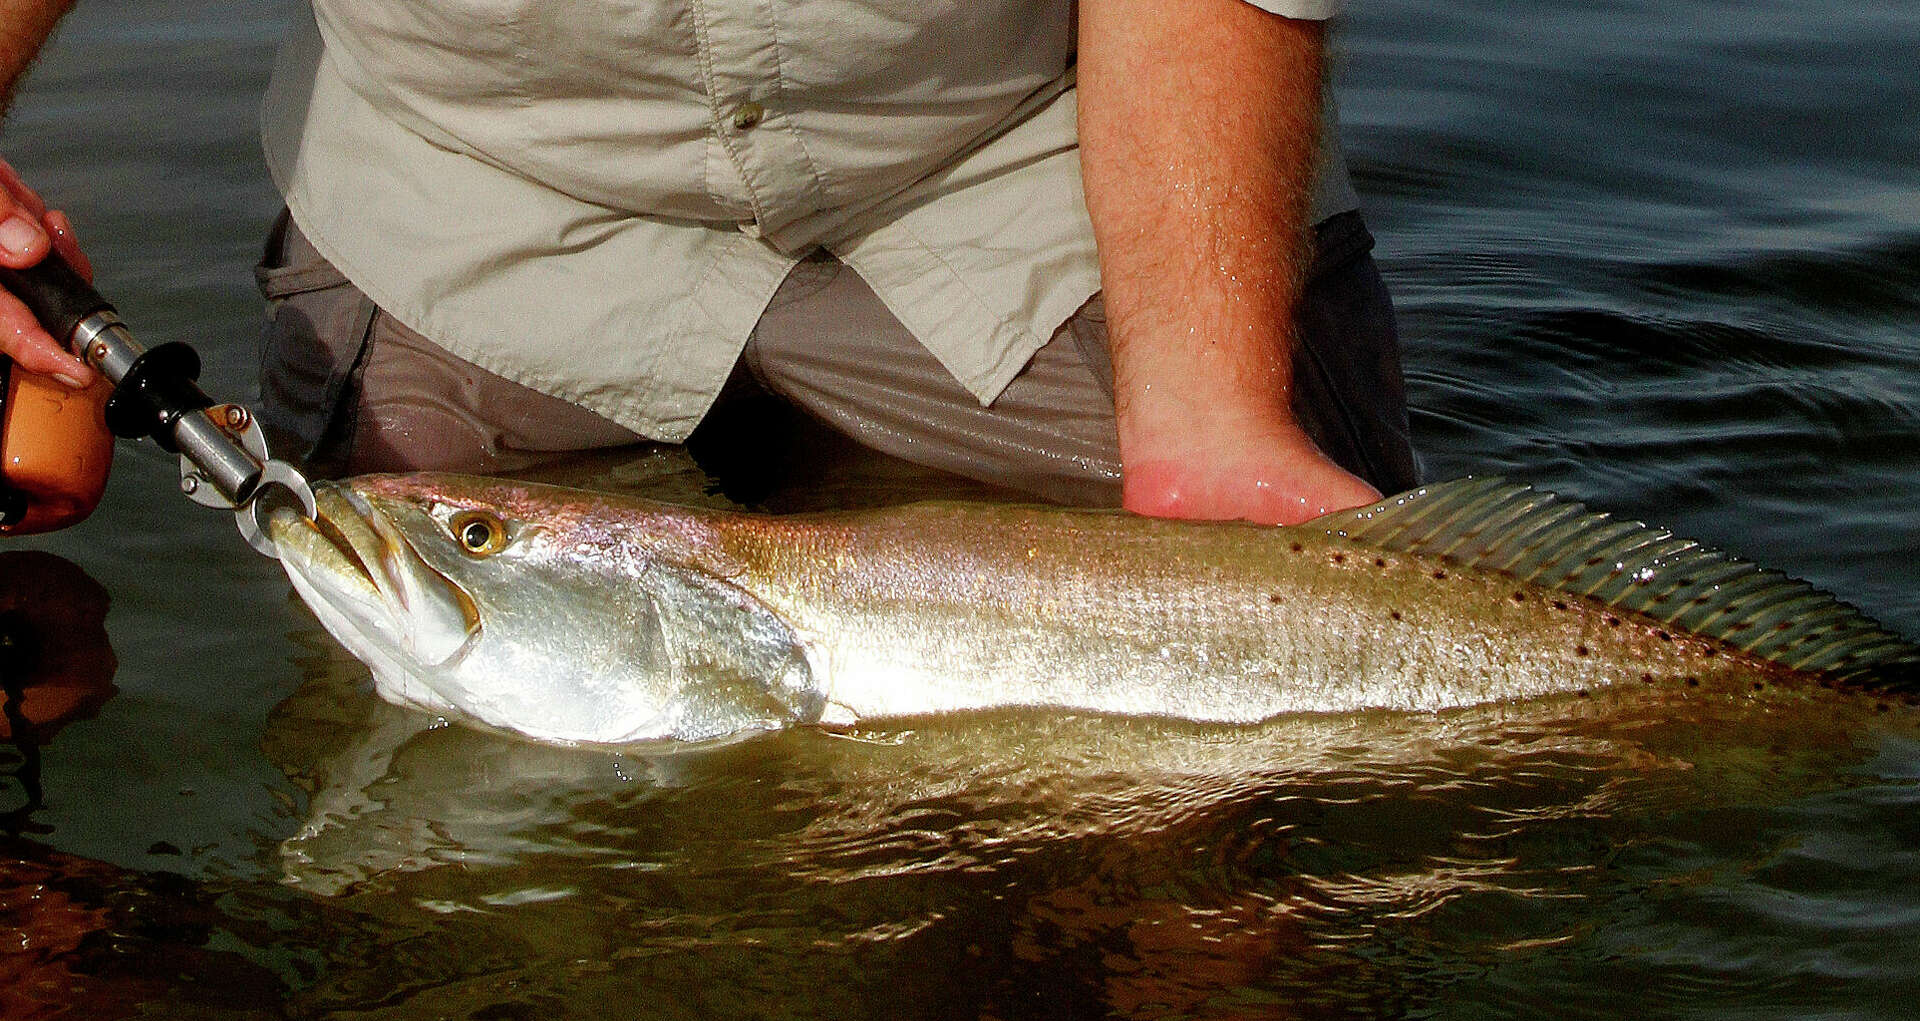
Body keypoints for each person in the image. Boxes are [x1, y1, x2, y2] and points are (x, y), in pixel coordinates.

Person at [0, 0, 1416, 526]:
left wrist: (1206, 420)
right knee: (442, 855)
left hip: (1022, 167)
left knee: (1214, 869)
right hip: (474, 202)